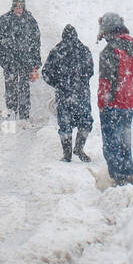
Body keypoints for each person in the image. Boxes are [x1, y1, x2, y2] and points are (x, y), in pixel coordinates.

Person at [96, 12, 133, 186]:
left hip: (112, 103)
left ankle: (117, 178)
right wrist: (130, 77)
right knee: (124, 141)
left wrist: (102, 103)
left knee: (111, 143)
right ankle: (128, 175)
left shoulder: (109, 50)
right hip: (129, 103)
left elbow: (105, 82)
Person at [42, 24, 94, 162]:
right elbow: (91, 71)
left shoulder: (57, 51)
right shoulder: (84, 51)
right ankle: (79, 147)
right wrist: (81, 82)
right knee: (85, 122)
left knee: (65, 125)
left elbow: (46, 73)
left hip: (64, 95)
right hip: (82, 94)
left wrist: (58, 84)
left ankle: (67, 154)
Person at [0, 0, 40, 121]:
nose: (19, 8)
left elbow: (36, 42)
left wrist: (35, 62)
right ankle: (12, 112)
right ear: (13, 7)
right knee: (10, 87)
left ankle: (24, 115)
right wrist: (2, 58)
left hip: (25, 61)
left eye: (21, 6)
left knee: (24, 87)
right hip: (10, 62)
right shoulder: (5, 20)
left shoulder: (30, 21)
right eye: (17, 6)